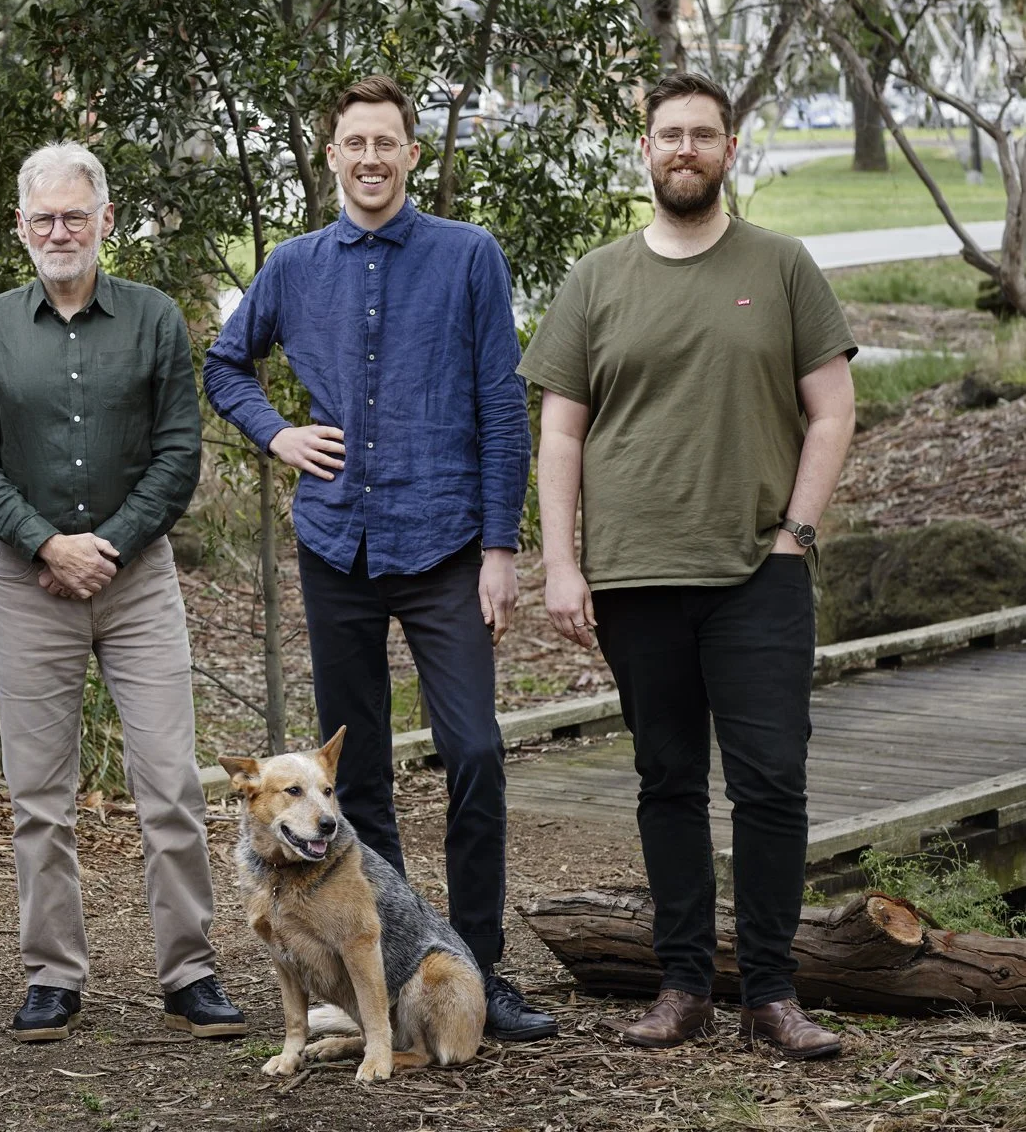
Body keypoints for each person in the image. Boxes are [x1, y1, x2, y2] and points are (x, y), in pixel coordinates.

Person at [203, 75, 555, 1042]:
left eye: (385, 143)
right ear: (331, 157)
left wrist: (499, 546)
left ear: (410, 154)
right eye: (353, 143)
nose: (369, 158)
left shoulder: (467, 256)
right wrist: (276, 435)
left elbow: (499, 404)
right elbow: (224, 365)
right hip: (336, 544)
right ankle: (386, 987)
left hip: (445, 543)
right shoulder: (293, 264)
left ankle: (478, 970)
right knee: (354, 782)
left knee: (474, 752)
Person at [519, 71, 856, 1059]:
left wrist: (794, 531)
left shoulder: (781, 265)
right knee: (665, 780)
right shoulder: (596, 278)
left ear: (727, 151)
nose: (683, 150)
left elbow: (830, 411)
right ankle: (679, 987)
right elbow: (559, 436)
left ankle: (770, 993)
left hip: (758, 571)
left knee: (769, 783)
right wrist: (559, 563)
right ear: (644, 149)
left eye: (702, 136)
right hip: (634, 577)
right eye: (668, 134)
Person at [0, 142, 243, 1043]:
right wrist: (46, 542)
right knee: (39, 795)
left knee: (169, 783)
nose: (59, 232)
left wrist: (105, 546)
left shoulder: (153, 318)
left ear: (104, 221)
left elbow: (177, 453)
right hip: (26, 582)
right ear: (19, 228)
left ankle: (189, 970)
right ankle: (52, 974)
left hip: (137, 580)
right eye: (42, 219)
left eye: (74, 216)